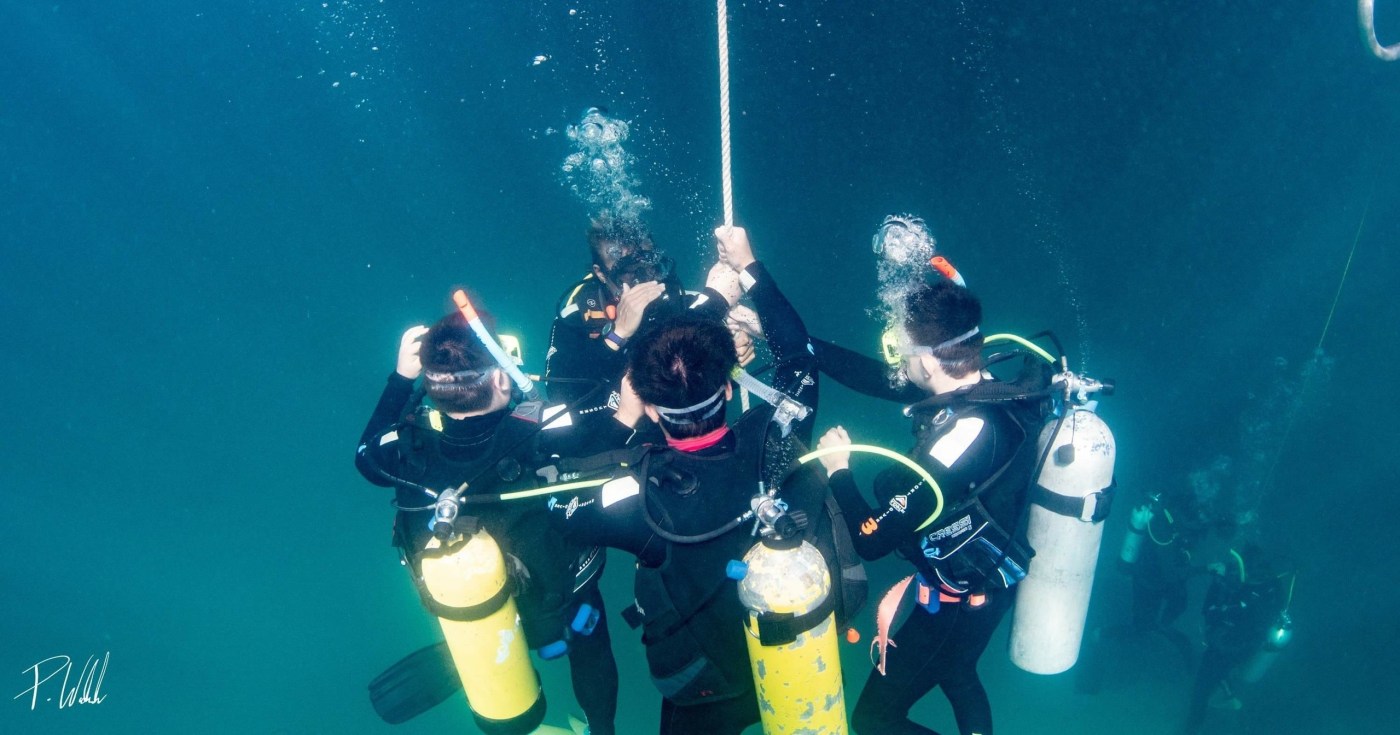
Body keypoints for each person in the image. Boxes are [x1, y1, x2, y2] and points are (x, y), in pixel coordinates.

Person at [546, 227, 859, 734]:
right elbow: (800, 359)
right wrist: (751, 266)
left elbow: (562, 509)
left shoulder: (639, 502)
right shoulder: (773, 440)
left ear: (650, 406)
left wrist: (622, 420)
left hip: (708, 678)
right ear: (729, 383)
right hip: (791, 657)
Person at [355, 306, 619, 734]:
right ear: (500, 379)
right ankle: (601, 729)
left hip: (476, 600)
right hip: (561, 605)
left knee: (484, 627)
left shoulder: (408, 449)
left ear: (431, 387)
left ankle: (483, 660)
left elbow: (365, 455)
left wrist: (401, 379)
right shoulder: (543, 429)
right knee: (591, 647)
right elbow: (608, 416)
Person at [815, 278, 1039, 735]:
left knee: (874, 720)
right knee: (958, 674)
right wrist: (793, 343)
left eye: (902, 349)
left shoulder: (962, 437)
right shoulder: (984, 389)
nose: (898, 361)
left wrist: (838, 470)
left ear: (930, 357)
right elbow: (871, 376)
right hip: (988, 585)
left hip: (958, 606)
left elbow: (870, 540)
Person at [544, 215, 742, 419]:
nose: (634, 274)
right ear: (600, 272)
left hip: (677, 431)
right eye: (618, 259)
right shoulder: (575, 319)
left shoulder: (685, 304)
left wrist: (733, 358)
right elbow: (559, 395)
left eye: (642, 257)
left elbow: (725, 381)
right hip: (603, 437)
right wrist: (617, 335)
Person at [1183, 545, 1295, 734]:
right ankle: (1229, 707)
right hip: (1245, 646)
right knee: (1223, 679)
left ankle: (1195, 724)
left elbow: (1211, 614)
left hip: (1230, 647)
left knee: (1203, 687)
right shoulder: (1268, 585)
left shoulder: (1249, 584)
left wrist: (1234, 610)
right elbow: (1211, 612)